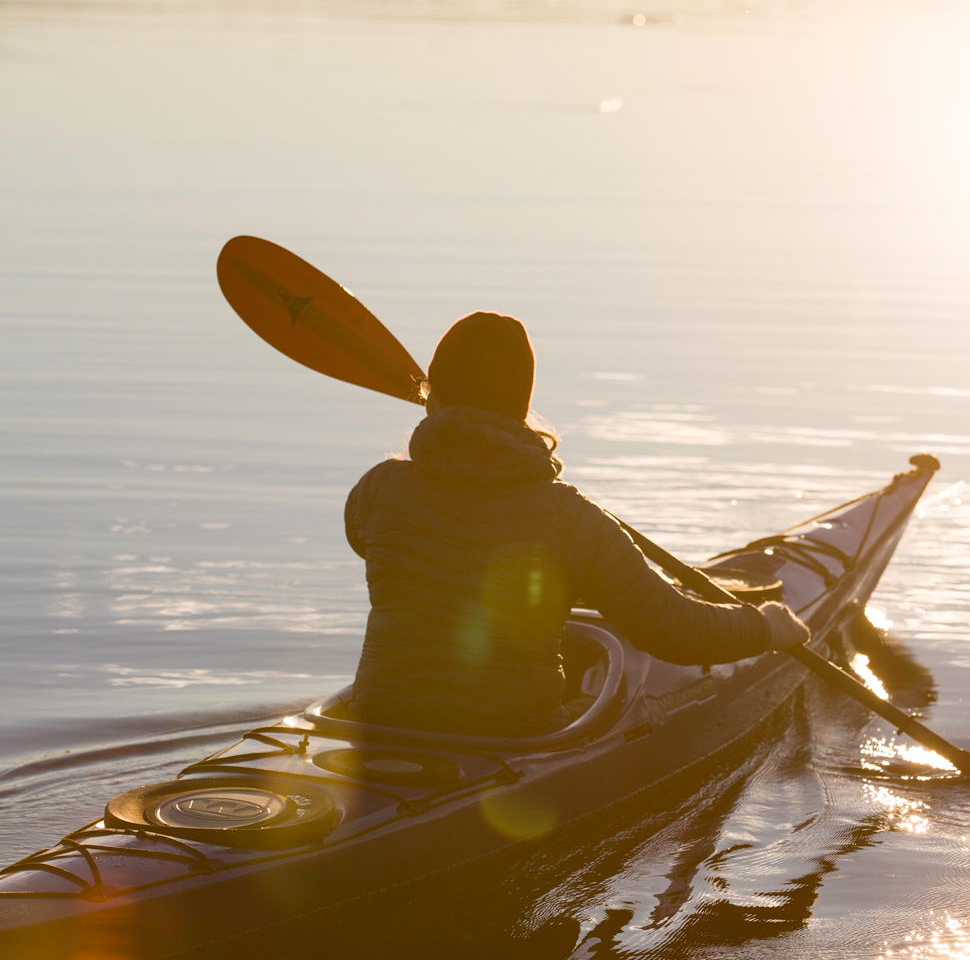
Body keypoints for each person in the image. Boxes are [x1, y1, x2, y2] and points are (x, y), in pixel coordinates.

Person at [344, 311, 811, 737]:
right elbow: (672, 630)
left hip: (383, 721)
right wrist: (765, 627)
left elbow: (371, 543)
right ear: (521, 408)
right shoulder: (570, 517)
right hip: (513, 735)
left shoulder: (380, 489)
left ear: (434, 397)